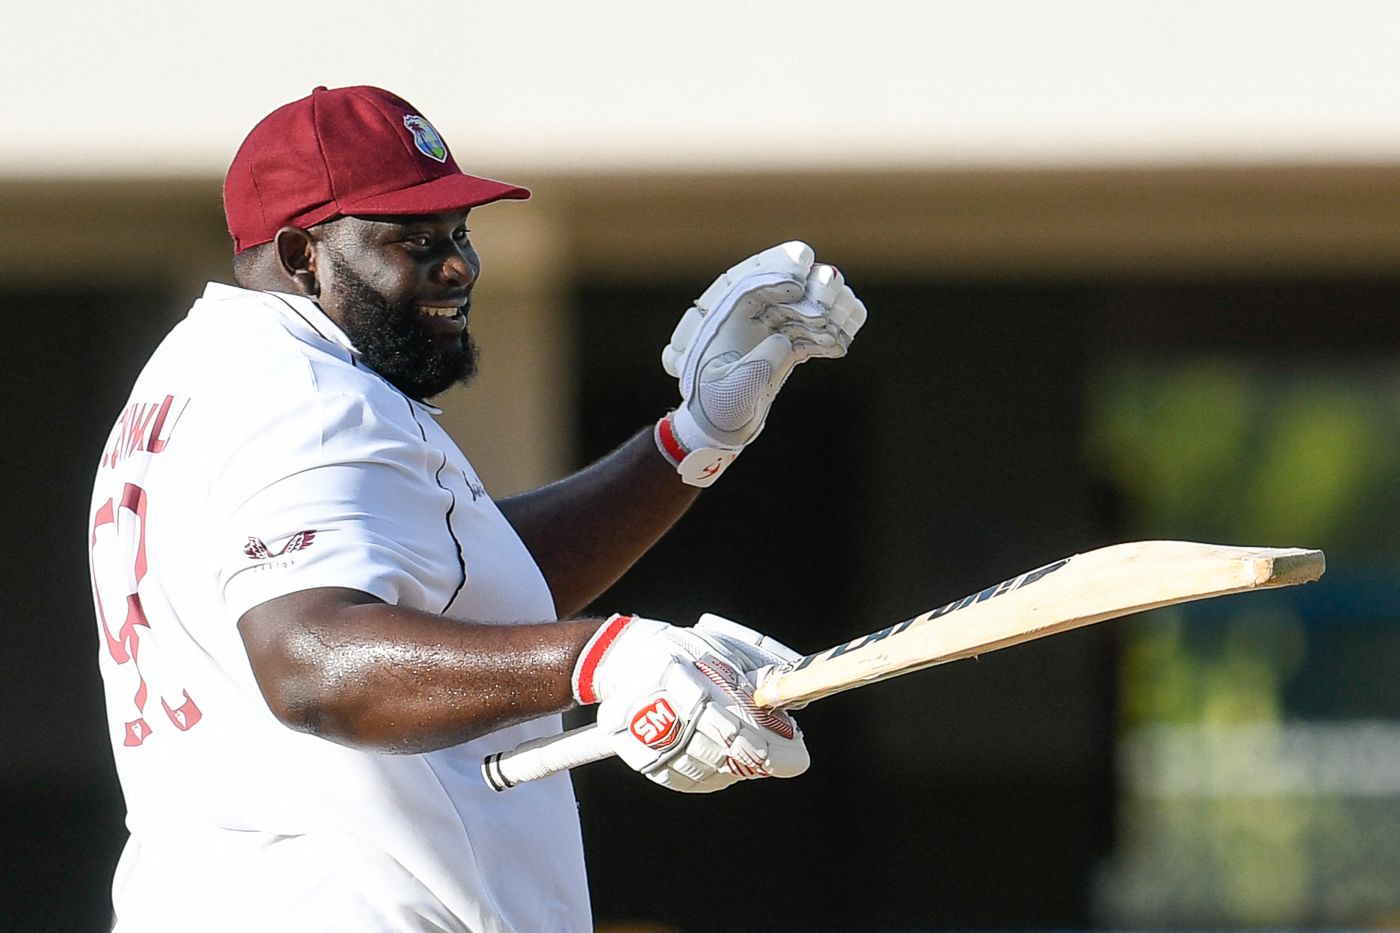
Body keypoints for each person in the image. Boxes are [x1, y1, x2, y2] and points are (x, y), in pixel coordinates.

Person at [87, 85, 866, 932]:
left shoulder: (204, 376)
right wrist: (604, 658)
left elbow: (473, 581)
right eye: (414, 241)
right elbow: (307, 661)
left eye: (459, 233)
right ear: (302, 252)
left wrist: (693, 439)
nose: (457, 265)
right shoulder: (302, 392)